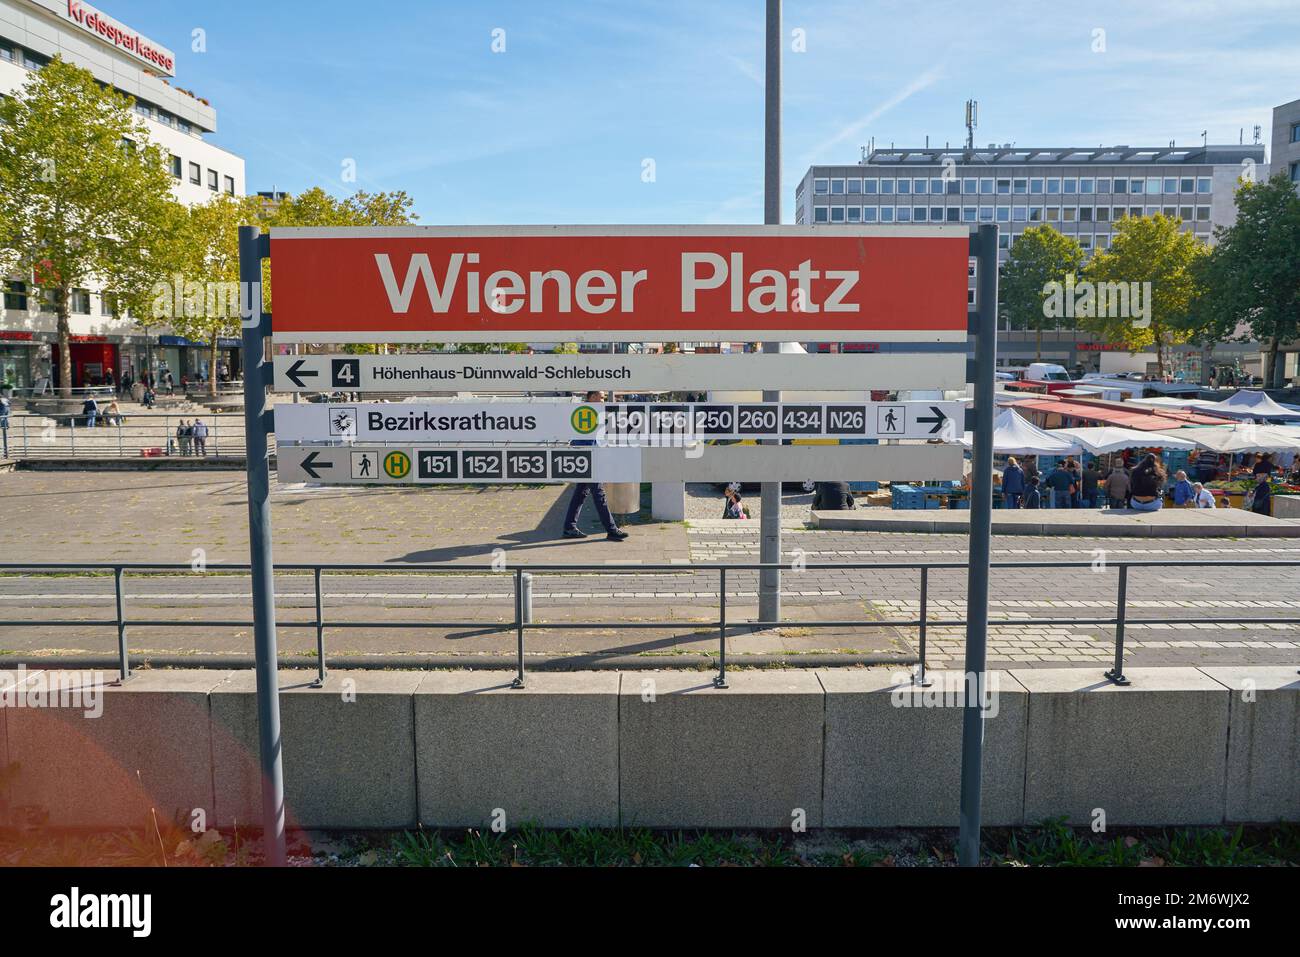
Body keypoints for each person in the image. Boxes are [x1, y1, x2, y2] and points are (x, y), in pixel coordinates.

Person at [562, 390, 628, 541]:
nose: (603, 401)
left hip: (587, 457)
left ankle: (569, 527)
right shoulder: (586, 413)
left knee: (580, 494)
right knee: (599, 495)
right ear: (592, 397)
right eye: (601, 398)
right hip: (588, 457)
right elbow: (586, 439)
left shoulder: (591, 412)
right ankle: (611, 530)